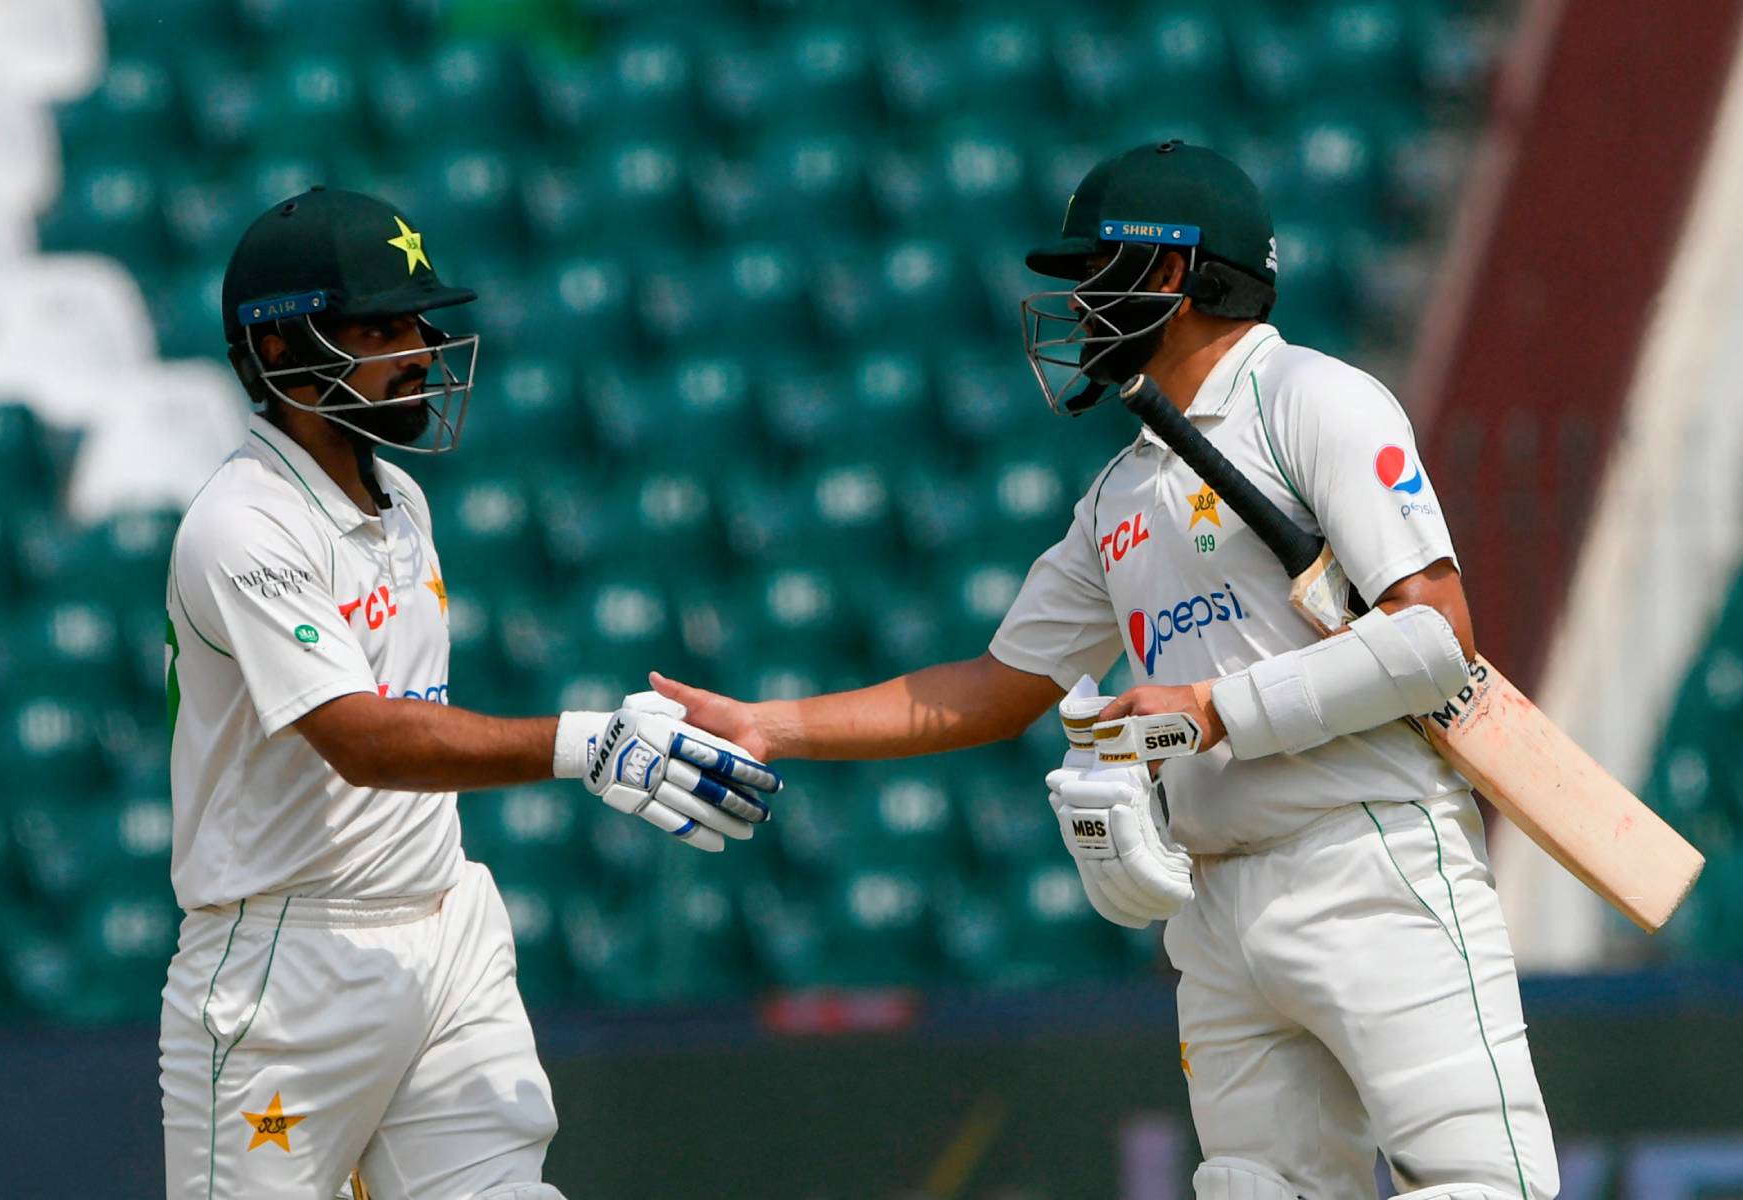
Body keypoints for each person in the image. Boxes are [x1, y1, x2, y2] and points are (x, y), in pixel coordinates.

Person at [652, 143, 1559, 1199]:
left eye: (1095, 274)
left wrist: (1217, 710)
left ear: (1171, 275)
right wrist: (773, 725)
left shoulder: (1311, 398)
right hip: (1217, 898)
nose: (1077, 303)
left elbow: (1432, 636)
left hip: (1371, 857)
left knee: (1480, 1183)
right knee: (1257, 1188)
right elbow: (995, 688)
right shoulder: (1125, 492)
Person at [159, 186, 781, 1200]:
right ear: (279, 352)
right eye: (379, 328)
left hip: (445, 929)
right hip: (285, 965)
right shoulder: (241, 526)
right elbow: (363, 741)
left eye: (419, 324)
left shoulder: (398, 496)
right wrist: (590, 745)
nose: (418, 350)